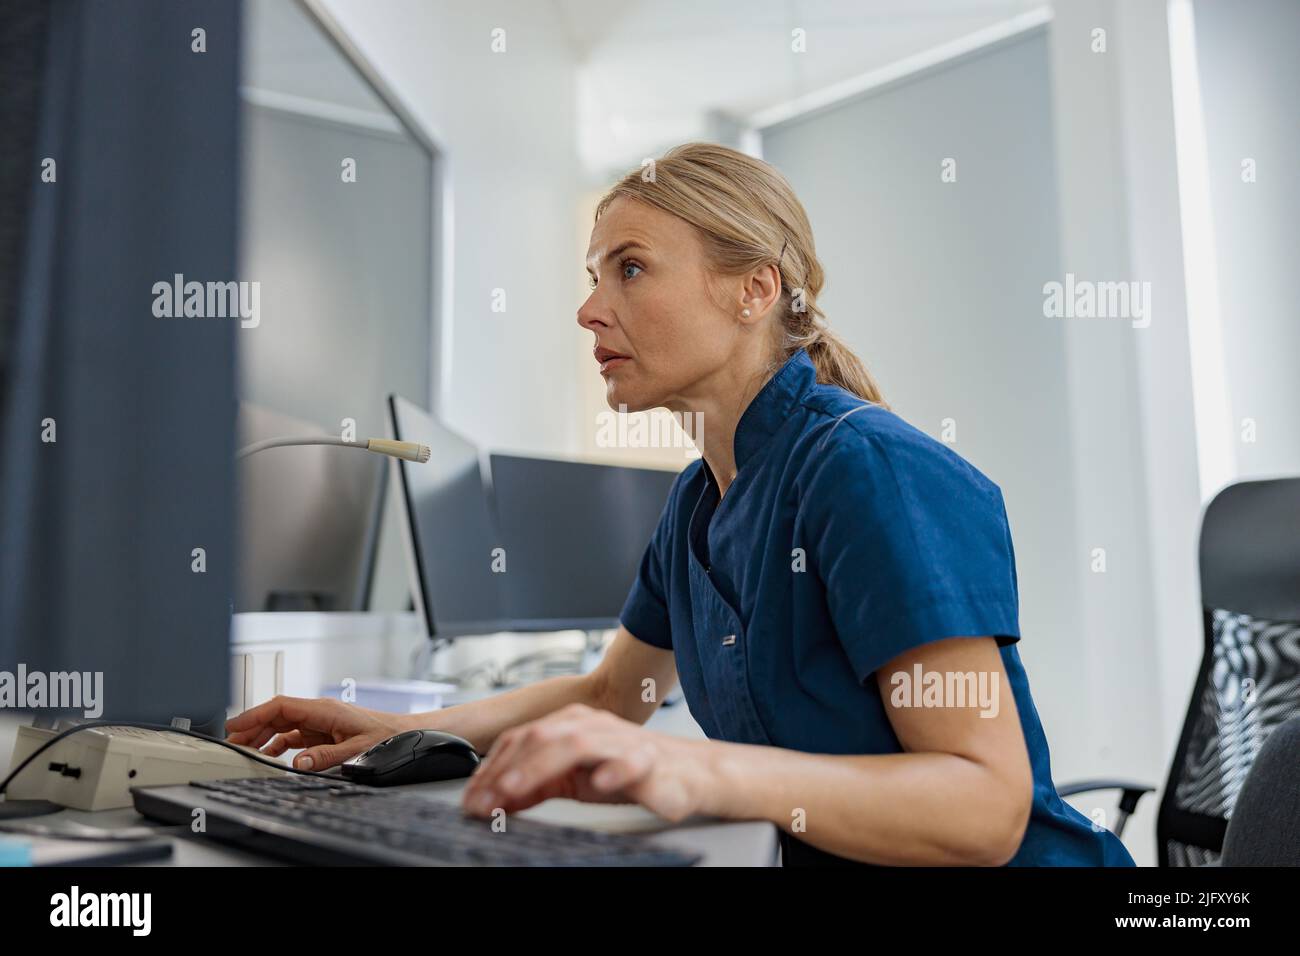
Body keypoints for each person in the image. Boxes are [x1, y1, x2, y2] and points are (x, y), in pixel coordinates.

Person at [227, 142, 1135, 866]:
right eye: (591, 276)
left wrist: (694, 765)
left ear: (754, 289)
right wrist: (399, 729)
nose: (588, 310)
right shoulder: (700, 502)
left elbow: (984, 807)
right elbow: (612, 692)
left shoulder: (868, 471)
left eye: (628, 269)